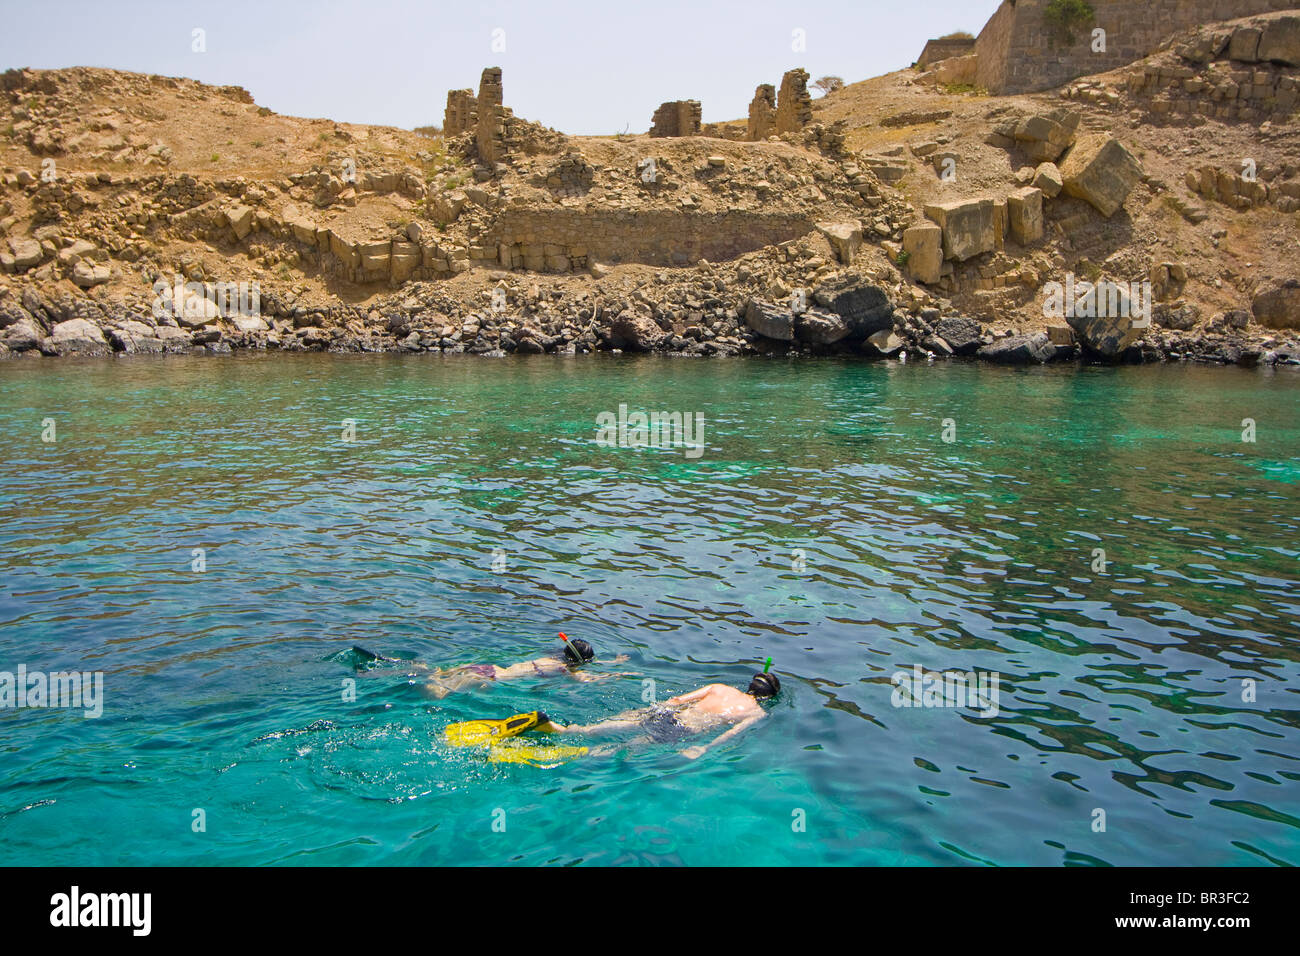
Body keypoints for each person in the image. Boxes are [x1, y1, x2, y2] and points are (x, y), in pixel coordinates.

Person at [536, 672, 780, 759]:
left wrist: (649, 710)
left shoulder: (719, 687)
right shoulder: (755, 712)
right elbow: (731, 733)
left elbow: (676, 700)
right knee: (625, 748)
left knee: (598, 728)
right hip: (682, 730)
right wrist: (703, 749)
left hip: (664, 713)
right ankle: (575, 754)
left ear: (750, 685)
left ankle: (562, 730)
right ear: (768, 696)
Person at [350, 636, 631, 700]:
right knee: (434, 695)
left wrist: (611, 662)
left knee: (435, 674)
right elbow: (587, 680)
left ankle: (412, 668)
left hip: (486, 667)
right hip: (489, 678)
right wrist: (618, 674)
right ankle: (409, 675)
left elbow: (580, 665)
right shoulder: (564, 671)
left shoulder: (553, 659)